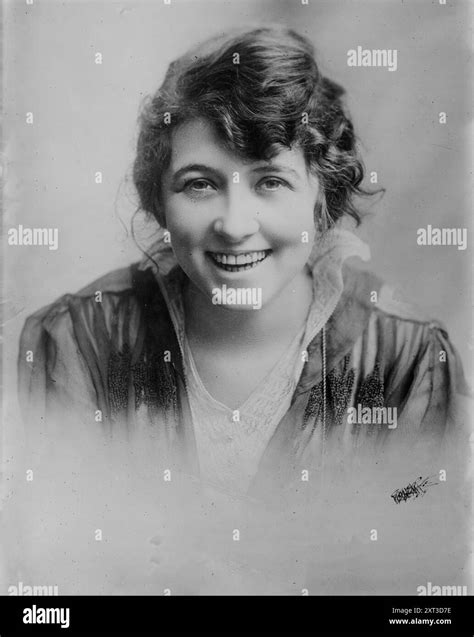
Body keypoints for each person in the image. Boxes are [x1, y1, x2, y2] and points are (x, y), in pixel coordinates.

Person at [18, 25, 468, 503]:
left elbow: (415, 511)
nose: (234, 226)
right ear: (159, 201)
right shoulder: (81, 342)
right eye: (200, 184)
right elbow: (69, 531)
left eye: (270, 182)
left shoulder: (407, 357)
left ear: (322, 198)